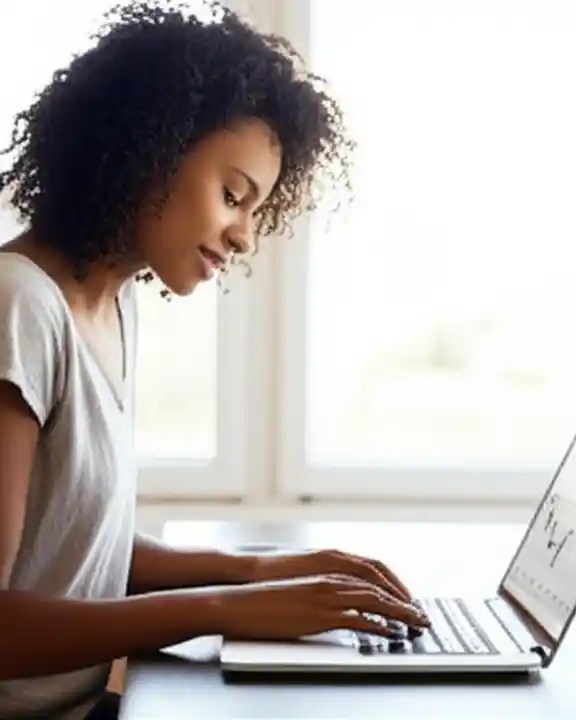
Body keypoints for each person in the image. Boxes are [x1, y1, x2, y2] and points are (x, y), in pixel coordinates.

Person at [0, 3, 430, 718]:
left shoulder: (107, 304)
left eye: (256, 210)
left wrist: (270, 576)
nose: (244, 239)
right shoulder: (20, 307)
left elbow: (78, 552)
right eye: (233, 196)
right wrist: (224, 605)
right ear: (148, 148)